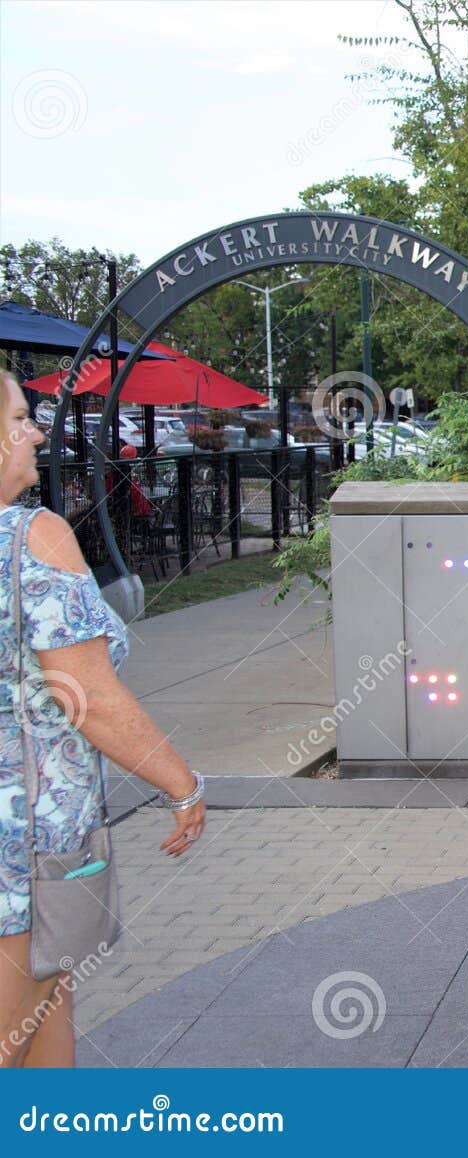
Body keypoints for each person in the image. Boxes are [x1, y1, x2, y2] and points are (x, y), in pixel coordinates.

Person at [0, 370, 206, 1068]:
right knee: (20, 1024)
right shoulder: (33, 536)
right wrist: (181, 784)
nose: (34, 432)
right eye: (21, 417)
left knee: (47, 1022)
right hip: (27, 846)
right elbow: (84, 694)